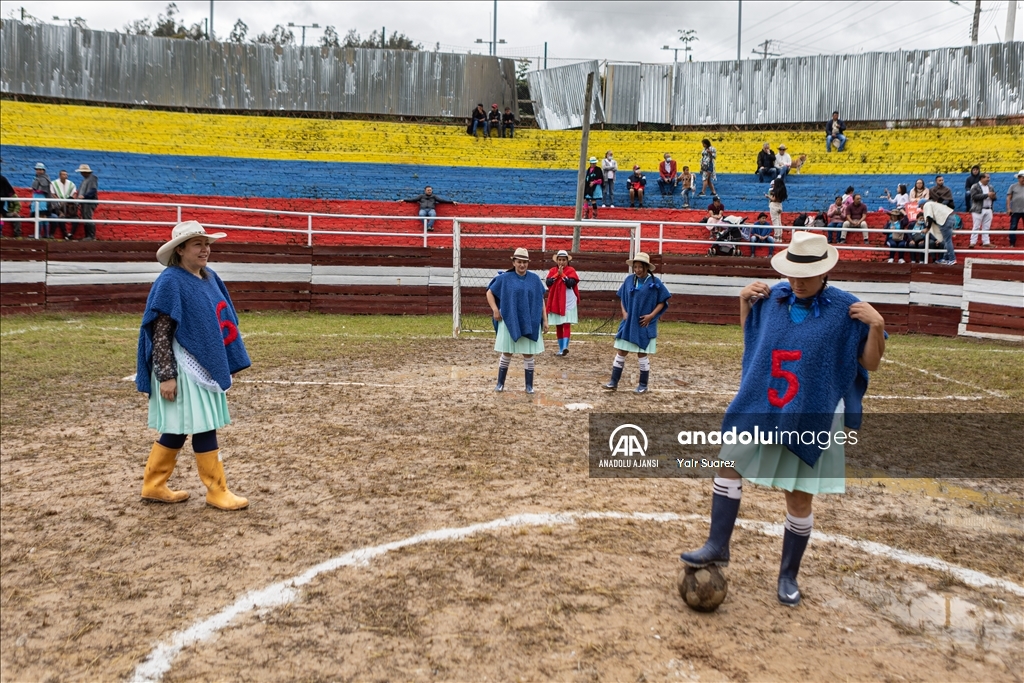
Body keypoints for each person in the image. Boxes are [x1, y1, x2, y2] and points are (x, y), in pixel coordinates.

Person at [680, 231, 886, 607]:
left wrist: (876, 326)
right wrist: (744, 303)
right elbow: (756, 342)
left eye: (806, 275)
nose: (797, 281)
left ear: (825, 271)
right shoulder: (773, 298)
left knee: (798, 497)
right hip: (766, 402)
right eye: (792, 274)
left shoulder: (847, 309)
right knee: (729, 463)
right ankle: (717, 546)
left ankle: (788, 575)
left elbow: (868, 363)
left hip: (812, 413)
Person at [135, 221, 251, 511]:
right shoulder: (170, 281)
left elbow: (221, 320)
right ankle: (216, 490)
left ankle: (154, 485)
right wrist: (166, 375)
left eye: (207, 244)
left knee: (179, 428)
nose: (205, 249)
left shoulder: (209, 277)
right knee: (202, 426)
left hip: (201, 364)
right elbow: (159, 330)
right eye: (198, 244)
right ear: (181, 249)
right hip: (182, 365)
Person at [602, 252, 671, 394]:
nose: (637, 270)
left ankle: (643, 385)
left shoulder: (655, 283)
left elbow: (662, 301)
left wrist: (651, 316)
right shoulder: (629, 280)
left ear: (646, 267)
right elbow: (622, 297)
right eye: (635, 267)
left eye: (640, 267)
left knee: (641, 353)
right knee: (621, 351)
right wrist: (624, 312)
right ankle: (613, 382)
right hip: (629, 323)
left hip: (643, 324)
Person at [486, 247, 548, 393]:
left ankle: (529, 386)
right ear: (513, 262)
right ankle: (500, 384)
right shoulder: (504, 279)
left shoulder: (534, 279)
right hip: (509, 320)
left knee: (528, 353)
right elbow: (489, 292)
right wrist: (495, 309)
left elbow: (541, 300)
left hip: (530, 321)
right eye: (519, 262)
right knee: (507, 352)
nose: (522, 265)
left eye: (525, 262)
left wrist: (545, 320)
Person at [545, 250, 580, 356]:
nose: (561, 262)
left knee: (566, 323)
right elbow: (548, 282)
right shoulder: (552, 271)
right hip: (556, 300)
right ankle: (560, 348)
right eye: (559, 260)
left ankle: (565, 346)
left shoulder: (571, 271)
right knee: (559, 325)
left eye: (563, 260)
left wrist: (563, 275)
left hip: (568, 302)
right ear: (557, 261)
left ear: (567, 261)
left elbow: (570, 283)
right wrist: (557, 274)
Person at [922, 198, 959, 265]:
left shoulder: (927, 205)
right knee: (946, 240)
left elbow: (929, 217)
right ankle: (945, 258)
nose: (921, 208)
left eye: (920, 206)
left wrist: (927, 228)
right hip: (951, 217)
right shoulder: (934, 204)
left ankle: (952, 259)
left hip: (945, 220)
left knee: (947, 240)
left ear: (922, 204)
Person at [969, 173, 996, 248]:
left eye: (988, 177)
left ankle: (986, 242)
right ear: (981, 178)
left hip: (989, 209)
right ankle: (972, 242)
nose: (988, 179)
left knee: (986, 227)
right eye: (987, 177)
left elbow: (994, 198)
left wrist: (993, 196)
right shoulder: (975, 186)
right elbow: (974, 197)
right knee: (976, 226)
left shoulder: (990, 187)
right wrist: (987, 195)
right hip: (978, 209)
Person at [50, 169, 77, 240]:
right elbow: (52, 194)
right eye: (63, 174)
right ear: (60, 175)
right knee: (61, 218)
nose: (65, 176)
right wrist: (59, 201)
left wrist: (69, 202)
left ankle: (71, 234)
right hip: (58, 206)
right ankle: (65, 234)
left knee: (76, 218)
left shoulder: (71, 184)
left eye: (66, 174)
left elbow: (74, 194)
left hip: (68, 206)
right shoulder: (53, 183)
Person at [75, 164, 98, 240]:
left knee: (88, 217)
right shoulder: (86, 179)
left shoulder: (92, 178)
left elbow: (93, 190)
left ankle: (91, 235)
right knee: (85, 217)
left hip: (89, 201)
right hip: (85, 201)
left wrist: (84, 196)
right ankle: (88, 235)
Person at [30, 162, 52, 239]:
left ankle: (41, 234)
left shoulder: (43, 179)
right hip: (37, 198)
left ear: (43, 170)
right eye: (37, 169)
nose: (38, 171)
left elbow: (44, 190)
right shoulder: (38, 178)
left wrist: (36, 191)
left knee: (41, 216)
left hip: (42, 200)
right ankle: (43, 234)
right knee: (41, 217)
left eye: (40, 170)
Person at [1007, 170, 1024, 248]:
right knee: (1013, 227)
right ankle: (1012, 243)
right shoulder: (1013, 186)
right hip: (1015, 211)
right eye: (1023, 178)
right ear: (1019, 178)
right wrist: (1008, 208)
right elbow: (1008, 198)